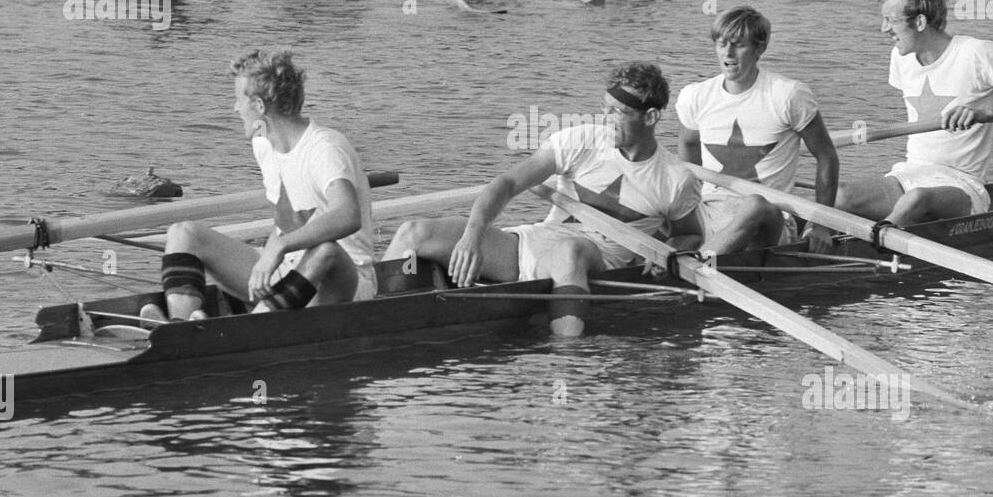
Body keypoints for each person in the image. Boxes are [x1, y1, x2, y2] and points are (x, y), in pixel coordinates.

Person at [383, 63, 702, 337]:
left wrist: (667, 252)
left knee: (570, 249)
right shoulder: (580, 140)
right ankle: (371, 310)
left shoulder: (675, 179)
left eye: (618, 112)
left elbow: (692, 234)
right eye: (605, 107)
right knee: (415, 233)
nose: (606, 117)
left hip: (595, 261)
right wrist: (472, 236)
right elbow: (506, 184)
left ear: (650, 117)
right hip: (528, 247)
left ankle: (566, 358)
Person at [143, 48, 376, 324]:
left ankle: (249, 328)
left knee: (325, 249)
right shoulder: (262, 144)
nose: (234, 108)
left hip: (345, 281)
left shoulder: (325, 149)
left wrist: (279, 247)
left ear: (259, 107)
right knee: (183, 233)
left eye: (238, 100)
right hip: (286, 272)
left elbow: (348, 216)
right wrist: (273, 252)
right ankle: (181, 330)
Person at [837, 0, 993, 226]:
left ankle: (880, 237)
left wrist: (985, 113)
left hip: (961, 183)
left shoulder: (976, 53)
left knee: (916, 200)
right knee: (840, 196)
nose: (884, 29)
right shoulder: (900, 57)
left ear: (920, 22)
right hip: (911, 173)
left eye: (891, 20)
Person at [677, 6, 838, 256]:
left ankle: (697, 267)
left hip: (769, 220)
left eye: (738, 45)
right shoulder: (695, 96)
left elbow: (826, 156)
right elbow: (688, 145)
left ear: (760, 48)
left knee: (755, 204)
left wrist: (821, 224)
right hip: (710, 211)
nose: (728, 53)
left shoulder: (788, 95)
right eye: (721, 44)